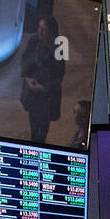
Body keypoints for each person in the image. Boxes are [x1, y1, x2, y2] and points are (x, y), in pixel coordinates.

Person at [20, 15, 65, 144]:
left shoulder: (59, 49)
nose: (40, 31)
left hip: (47, 96)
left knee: (43, 125)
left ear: (51, 32)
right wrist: (27, 79)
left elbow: (59, 75)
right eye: (39, 27)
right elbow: (25, 61)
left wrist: (44, 88)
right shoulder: (34, 41)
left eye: (44, 29)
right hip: (32, 93)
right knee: (33, 120)